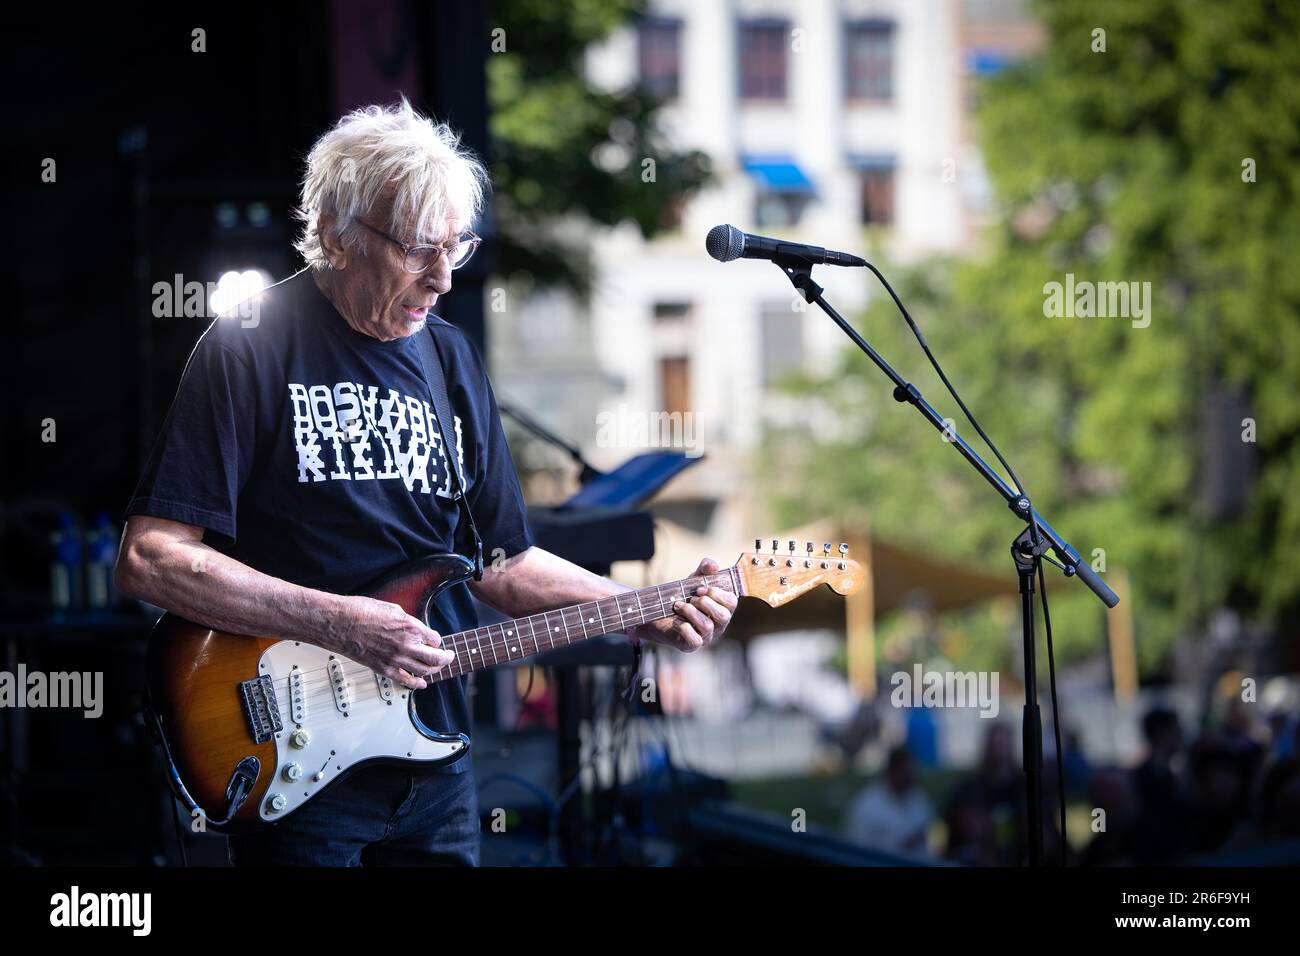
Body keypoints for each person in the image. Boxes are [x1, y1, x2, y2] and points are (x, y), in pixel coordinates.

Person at [114, 98, 736, 866]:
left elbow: (505, 564)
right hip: (295, 758)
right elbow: (151, 558)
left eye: (457, 248)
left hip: (433, 762)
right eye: (417, 250)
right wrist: (339, 621)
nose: (442, 278)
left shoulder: (449, 360)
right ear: (341, 235)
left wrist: (640, 609)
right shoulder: (250, 346)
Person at [843, 746, 934, 856]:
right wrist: (900, 846)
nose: (913, 777)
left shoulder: (919, 798)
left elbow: (931, 834)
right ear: (893, 771)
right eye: (907, 772)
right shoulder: (866, 806)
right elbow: (857, 851)